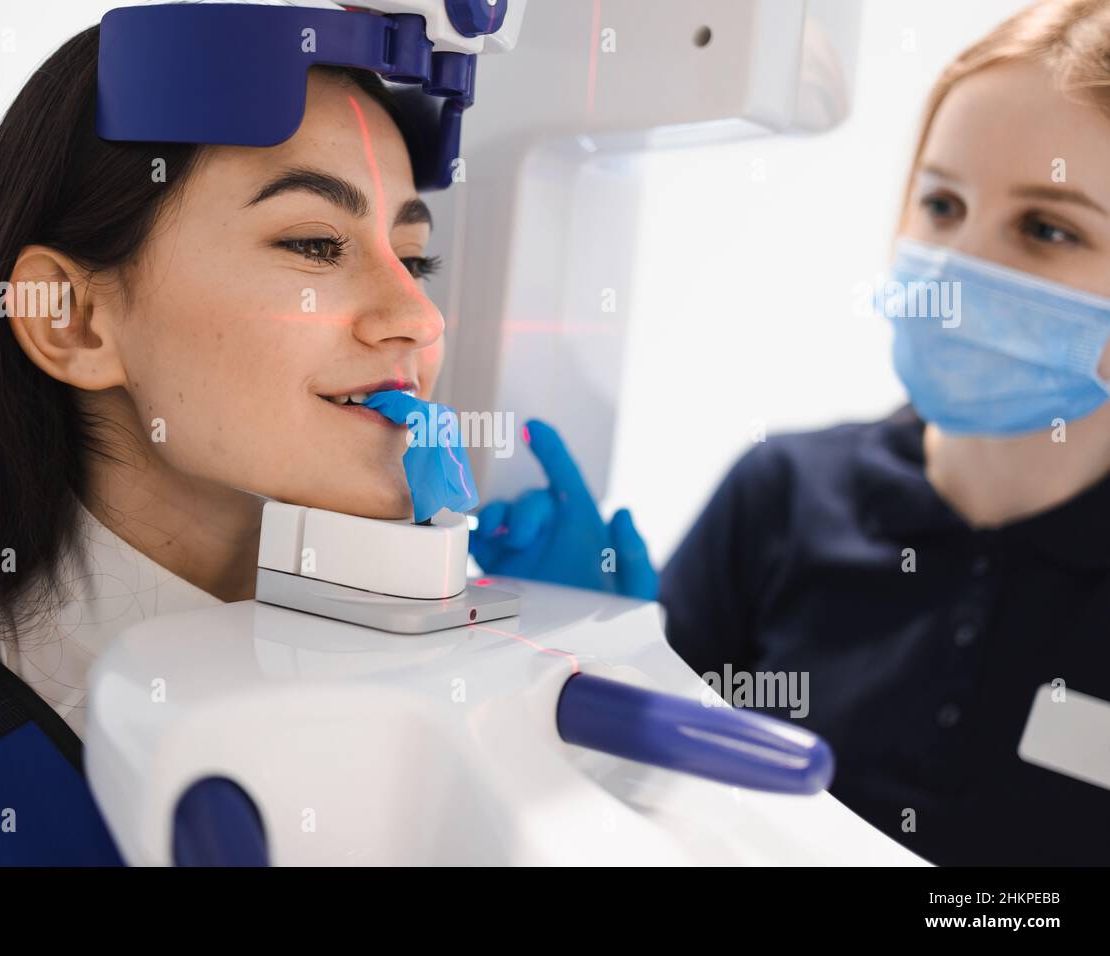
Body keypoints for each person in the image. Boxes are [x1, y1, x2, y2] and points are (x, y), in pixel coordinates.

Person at [473, 0, 1110, 865]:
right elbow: (633, 798)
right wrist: (585, 649)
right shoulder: (778, 499)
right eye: (942, 204)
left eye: (1047, 228)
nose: (959, 267)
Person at [0, 26, 446, 739]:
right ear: (71, 318)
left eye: (414, 259)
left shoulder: (409, 659)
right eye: (314, 244)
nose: (419, 317)